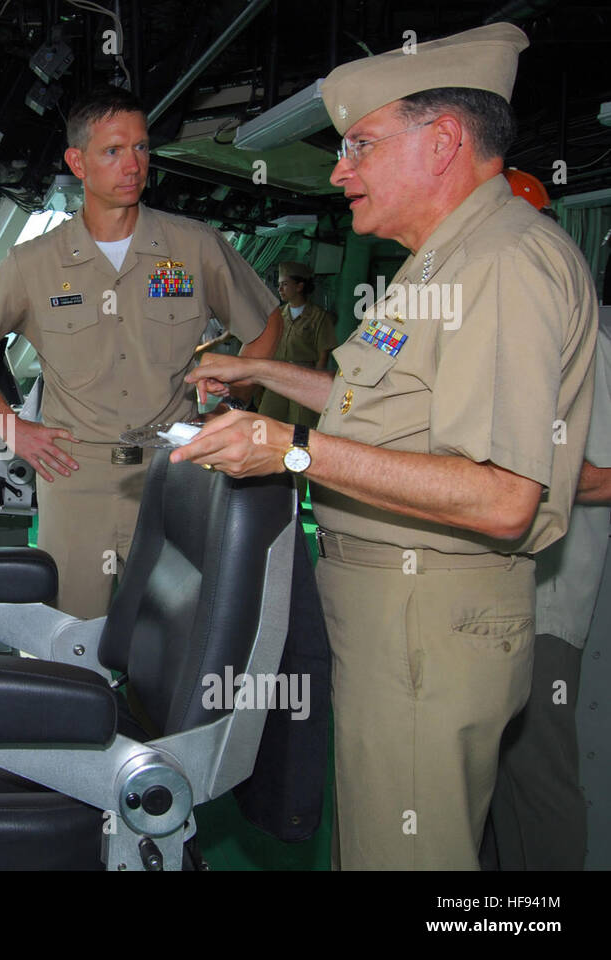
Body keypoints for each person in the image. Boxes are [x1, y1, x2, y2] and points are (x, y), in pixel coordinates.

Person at [171, 23, 598, 869]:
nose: (338, 169)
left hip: (427, 623)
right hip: (397, 618)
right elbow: (383, 411)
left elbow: (505, 495)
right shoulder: (440, 263)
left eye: (360, 144)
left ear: (442, 143)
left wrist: (291, 451)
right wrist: (261, 375)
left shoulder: (503, 264)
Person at [0, 88, 281, 620]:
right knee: (73, 638)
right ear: (77, 162)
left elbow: (264, 325)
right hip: (76, 475)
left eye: (142, 149)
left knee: (177, 635)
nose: (133, 165)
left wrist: (235, 402)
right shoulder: (33, 263)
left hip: (174, 471)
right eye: (113, 151)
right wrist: (11, 429)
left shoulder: (193, 247)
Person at [486, 320, 611, 870]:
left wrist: (489, 480)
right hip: (495, 592)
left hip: (546, 601)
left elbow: (602, 476)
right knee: (492, 780)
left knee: (536, 774)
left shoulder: (586, 347)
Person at [257, 261, 337, 429]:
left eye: (285, 285)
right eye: (279, 285)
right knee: (265, 420)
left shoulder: (318, 317)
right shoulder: (278, 315)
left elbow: (323, 355)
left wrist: (315, 385)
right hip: (278, 374)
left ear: (299, 286)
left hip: (303, 376)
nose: (280, 289)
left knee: (301, 425)